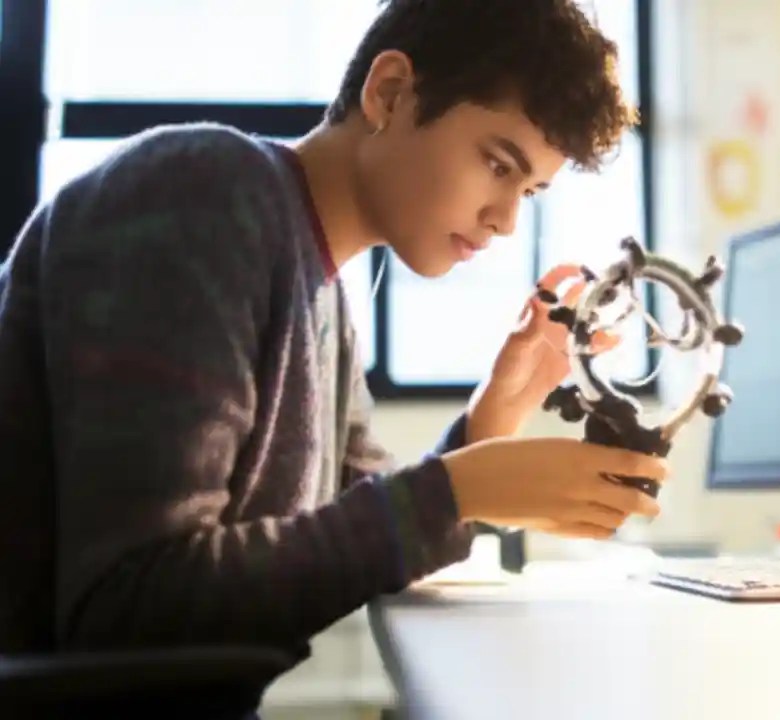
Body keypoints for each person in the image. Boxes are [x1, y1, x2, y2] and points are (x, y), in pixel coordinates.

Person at [0, 0, 666, 668]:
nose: (505, 222)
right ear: (390, 93)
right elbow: (131, 610)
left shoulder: (322, 291)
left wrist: (491, 420)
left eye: (532, 191)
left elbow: (355, 541)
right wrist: (461, 489)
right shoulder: (198, 195)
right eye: (498, 165)